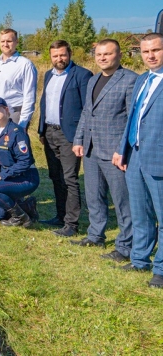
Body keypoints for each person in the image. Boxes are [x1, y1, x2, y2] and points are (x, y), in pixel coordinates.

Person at [71, 39, 135, 260]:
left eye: (107, 54)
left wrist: (122, 149)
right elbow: (86, 112)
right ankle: (95, 235)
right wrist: (79, 139)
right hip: (90, 148)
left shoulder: (130, 80)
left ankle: (126, 245)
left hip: (113, 151)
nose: (102, 58)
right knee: (94, 195)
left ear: (118, 55)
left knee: (121, 200)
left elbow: (131, 120)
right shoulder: (93, 79)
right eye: (99, 54)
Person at [113, 33, 163, 287]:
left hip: (159, 158)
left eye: (156, 50)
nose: (151, 56)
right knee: (140, 213)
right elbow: (132, 118)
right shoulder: (143, 79)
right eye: (146, 52)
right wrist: (123, 149)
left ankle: (161, 269)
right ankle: (140, 259)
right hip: (135, 156)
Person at [37, 40, 92, 237]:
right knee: (55, 176)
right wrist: (41, 130)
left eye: (62, 55)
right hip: (50, 133)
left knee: (69, 178)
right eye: (55, 56)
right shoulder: (49, 75)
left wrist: (81, 137)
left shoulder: (82, 75)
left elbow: (88, 109)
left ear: (69, 54)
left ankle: (72, 224)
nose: (59, 59)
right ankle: (60, 216)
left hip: (69, 134)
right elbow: (45, 103)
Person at [0, 97, 40, 226]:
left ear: (6, 110)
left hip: (25, 178)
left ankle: (20, 217)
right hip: (9, 177)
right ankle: (27, 206)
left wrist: (0, 176)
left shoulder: (16, 131)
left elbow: (25, 161)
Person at [0, 29, 37, 127]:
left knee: (12, 142)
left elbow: (29, 97)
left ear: (16, 42)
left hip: (13, 114)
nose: (5, 44)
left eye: (9, 41)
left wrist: (23, 123)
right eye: (2, 41)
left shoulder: (25, 64)